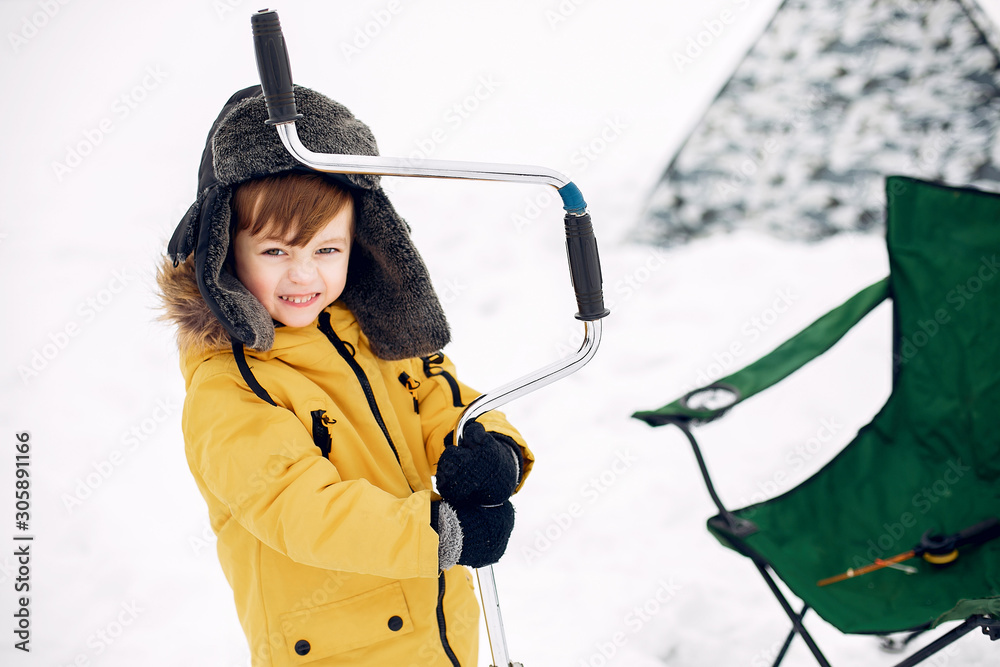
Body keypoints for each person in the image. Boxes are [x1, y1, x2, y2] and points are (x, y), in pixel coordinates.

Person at [157, 84, 533, 667]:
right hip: (335, 649)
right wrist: (439, 534)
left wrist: (491, 448)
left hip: (439, 635)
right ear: (226, 249)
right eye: (276, 252)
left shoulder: (372, 328)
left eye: (327, 250)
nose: (304, 275)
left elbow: (439, 396)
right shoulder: (229, 387)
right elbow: (301, 509)